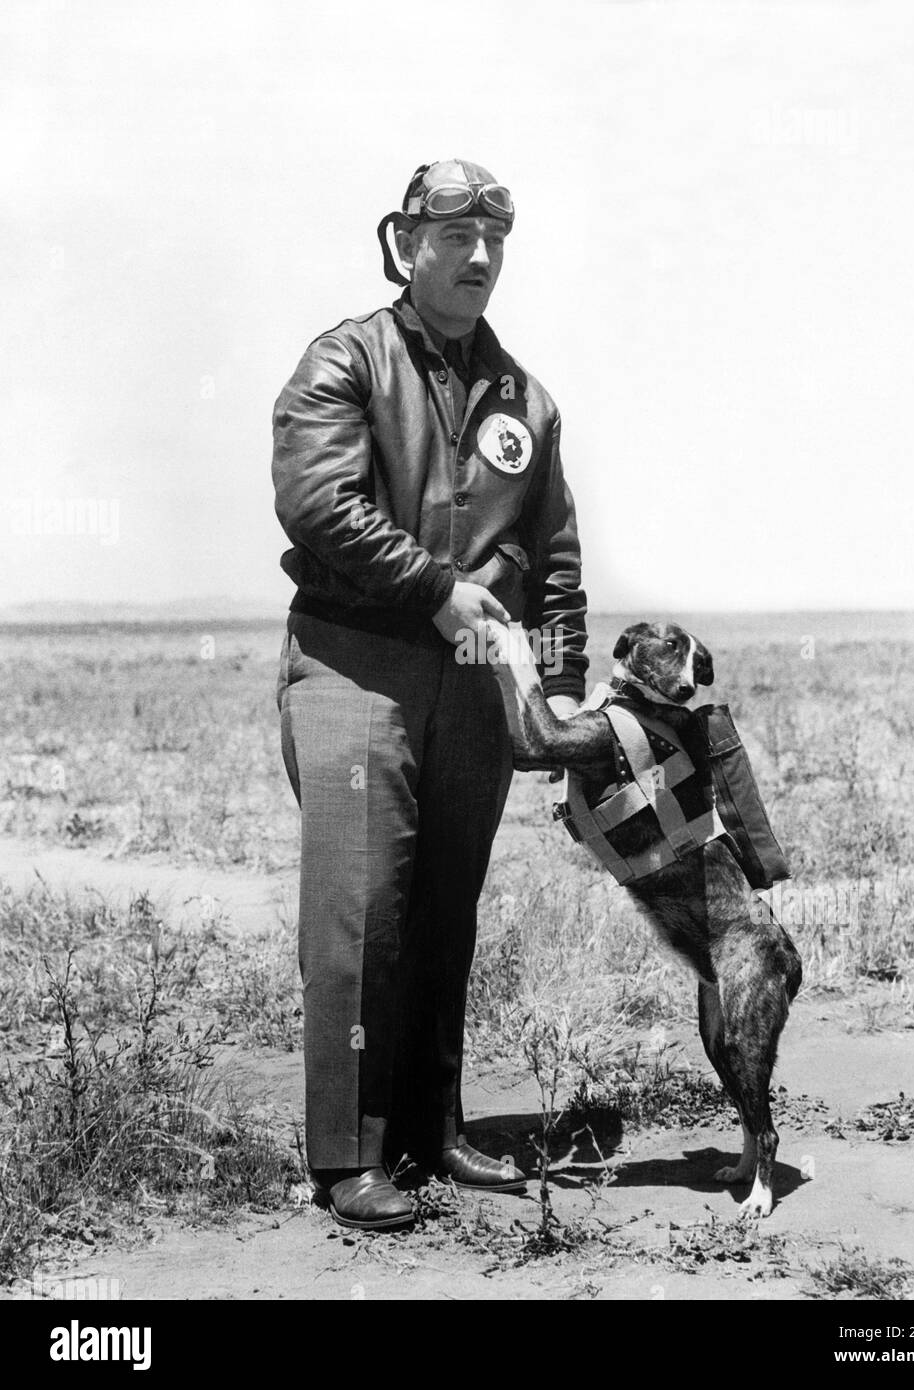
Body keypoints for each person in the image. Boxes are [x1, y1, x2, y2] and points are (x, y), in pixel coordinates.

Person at [271, 159, 588, 1229]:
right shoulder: (345, 360)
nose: (479, 259)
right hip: (353, 665)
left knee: (444, 904)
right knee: (359, 914)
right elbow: (318, 505)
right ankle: (347, 1157)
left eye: (494, 239)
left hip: (477, 689)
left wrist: (565, 717)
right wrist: (435, 591)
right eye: (454, 237)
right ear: (406, 243)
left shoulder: (525, 400)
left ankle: (431, 1131)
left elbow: (554, 566)